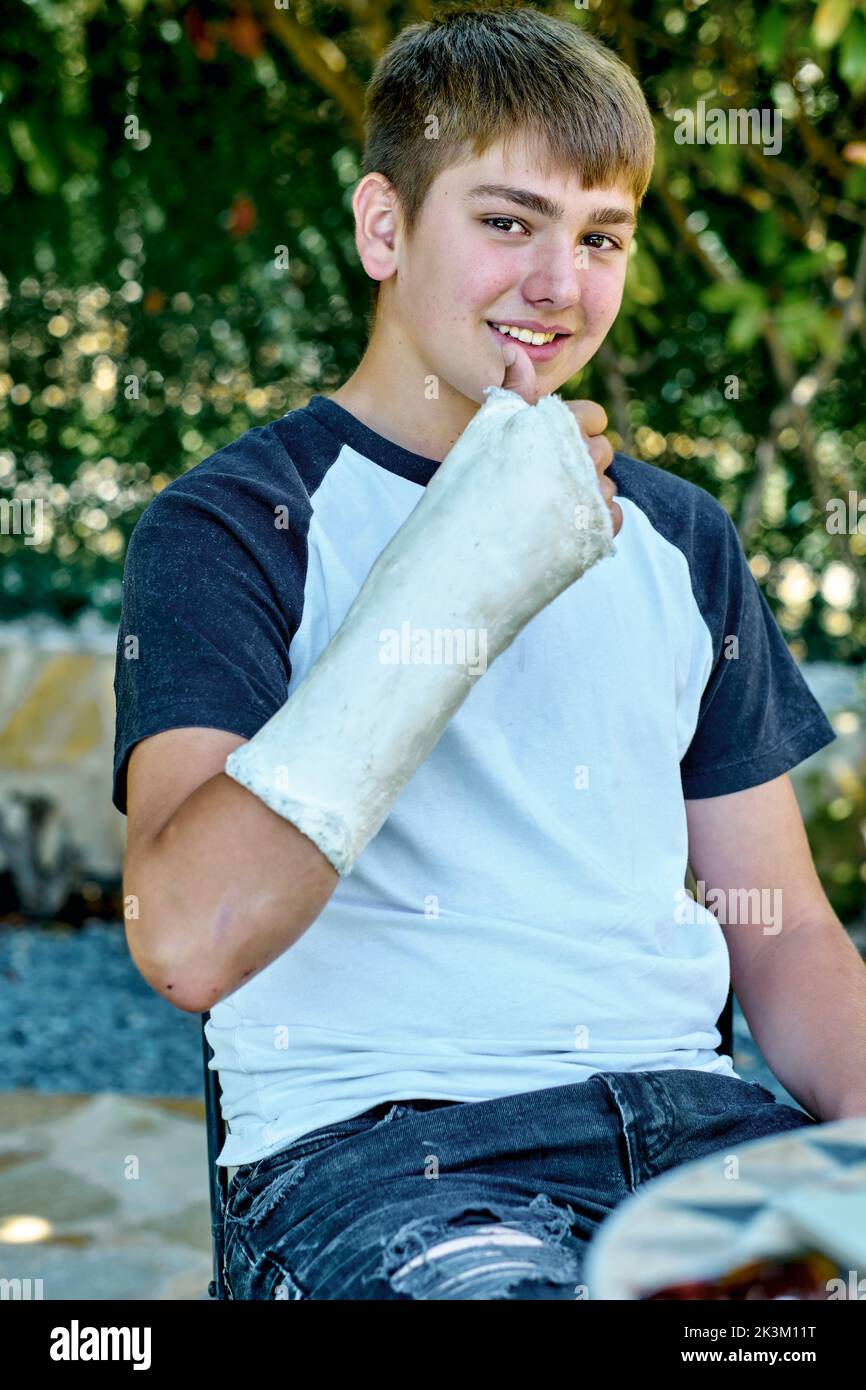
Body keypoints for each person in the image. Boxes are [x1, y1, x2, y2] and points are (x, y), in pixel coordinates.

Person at [113, 6, 866, 1300]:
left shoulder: (676, 538)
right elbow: (190, 936)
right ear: (384, 227)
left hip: (695, 1137)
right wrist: (460, 573)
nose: (558, 284)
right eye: (507, 222)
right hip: (391, 1158)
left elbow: (785, 928)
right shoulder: (233, 527)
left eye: (599, 238)